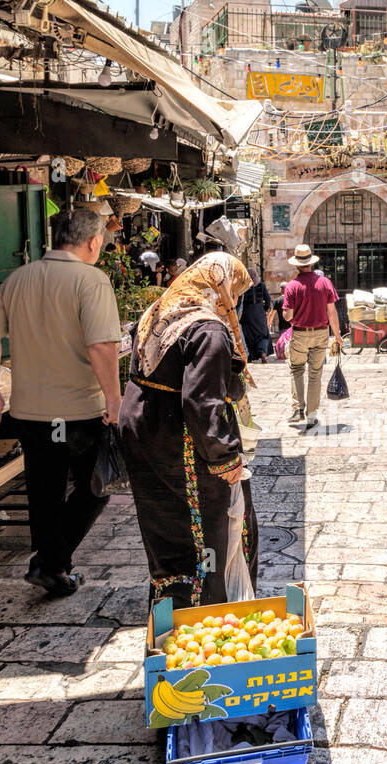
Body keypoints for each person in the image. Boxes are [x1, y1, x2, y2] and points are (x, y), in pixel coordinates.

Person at [0, 209, 123, 597]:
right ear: (93, 242)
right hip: (79, 411)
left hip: (29, 410)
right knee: (97, 487)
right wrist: (114, 398)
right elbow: (101, 346)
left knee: (44, 493)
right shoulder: (91, 280)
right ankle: (50, 562)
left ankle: (53, 567)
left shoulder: (17, 278)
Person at [117, 253, 258, 608]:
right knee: (207, 534)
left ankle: (170, 607)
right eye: (235, 293)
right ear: (220, 287)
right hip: (180, 442)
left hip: (144, 431)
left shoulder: (161, 310)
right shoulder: (208, 329)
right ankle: (204, 614)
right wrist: (226, 458)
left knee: (166, 529)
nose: (235, 302)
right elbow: (201, 402)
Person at [281, 243, 345, 428]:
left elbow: (289, 316)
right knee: (315, 373)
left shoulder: (292, 286)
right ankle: (312, 415)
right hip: (321, 333)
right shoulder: (324, 283)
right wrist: (338, 336)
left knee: (297, 370)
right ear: (311, 263)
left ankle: (298, 408)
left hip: (300, 334)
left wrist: (287, 313)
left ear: (296, 265)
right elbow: (332, 312)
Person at [238, 269, 274, 363]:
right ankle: (262, 352)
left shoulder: (243, 287)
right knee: (263, 335)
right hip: (259, 313)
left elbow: (239, 300)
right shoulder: (262, 285)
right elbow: (268, 300)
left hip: (247, 314)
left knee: (248, 335)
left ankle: (249, 356)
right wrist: (265, 310)